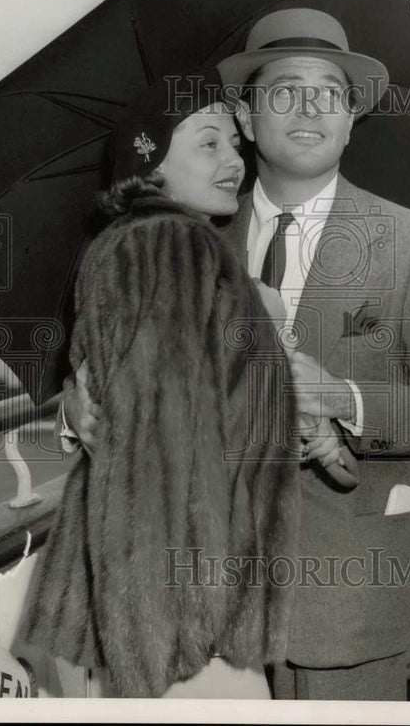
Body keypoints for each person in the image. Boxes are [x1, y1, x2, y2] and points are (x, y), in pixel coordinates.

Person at [211, 8, 410, 700]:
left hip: (349, 611)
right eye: (283, 89)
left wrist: (341, 396)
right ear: (244, 119)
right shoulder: (191, 244)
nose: (308, 106)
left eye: (329, 91)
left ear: (350, 116)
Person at [22, 78, 306, 698]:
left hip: (147, 611)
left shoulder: (130, 243)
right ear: (148, 161)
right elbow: (161, 449)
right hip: (179, 626)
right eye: (208, 144)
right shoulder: (173, 245)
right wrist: (166, 641)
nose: (234, 160)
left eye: (234, 143)